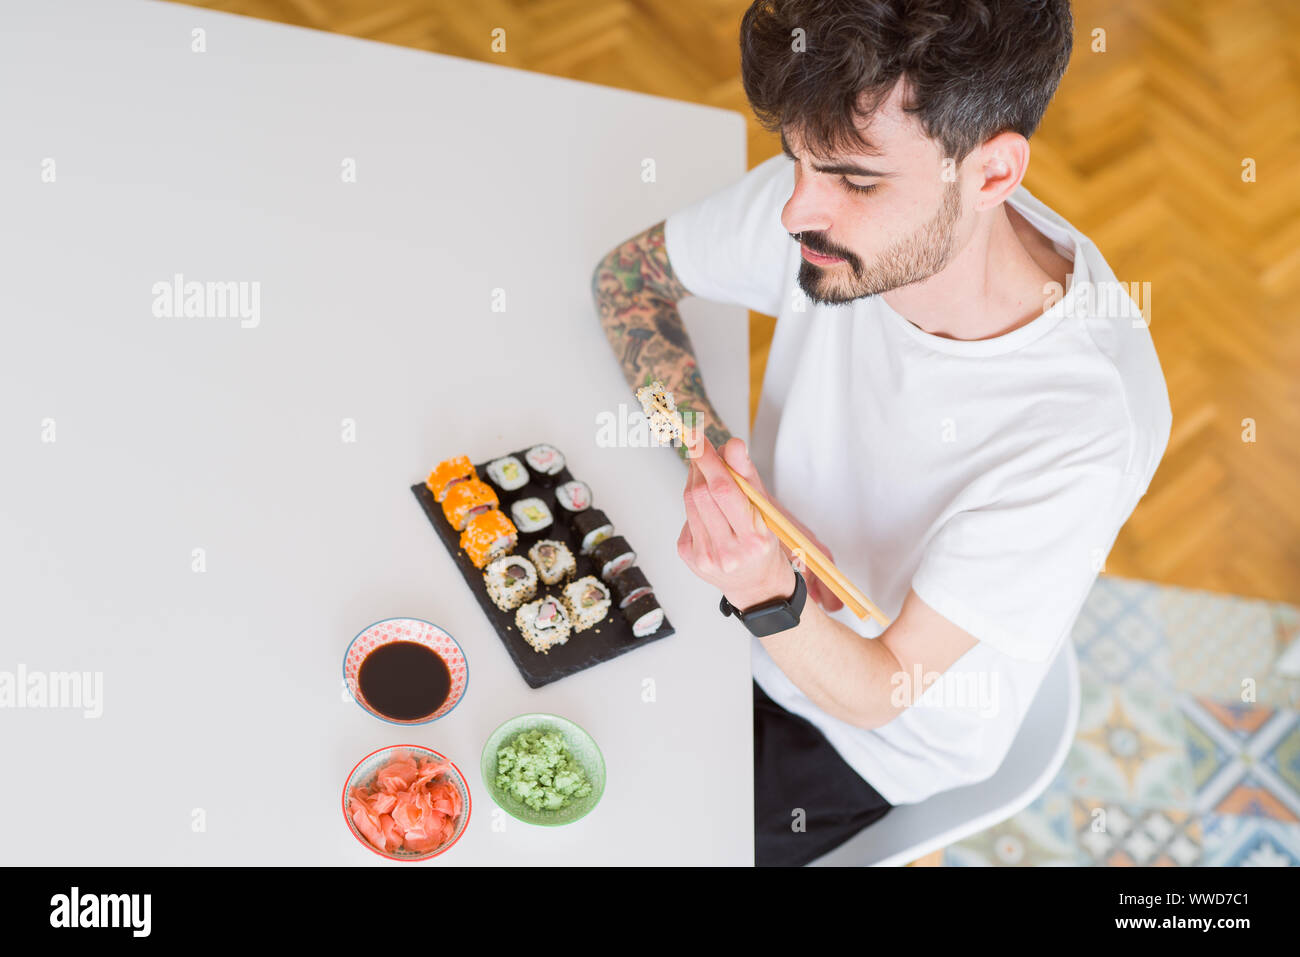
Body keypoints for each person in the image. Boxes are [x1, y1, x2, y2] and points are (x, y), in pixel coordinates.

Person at [590, 0, 1171, 867]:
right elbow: (629, 279)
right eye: (795, 160)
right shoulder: (843, 180)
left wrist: (765, 589)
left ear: (990, 175)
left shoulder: (1082, 428)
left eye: (854, 181)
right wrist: (715, 464)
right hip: (743, 611)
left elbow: (881, 688)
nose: (795, 212)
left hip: (859, 737)